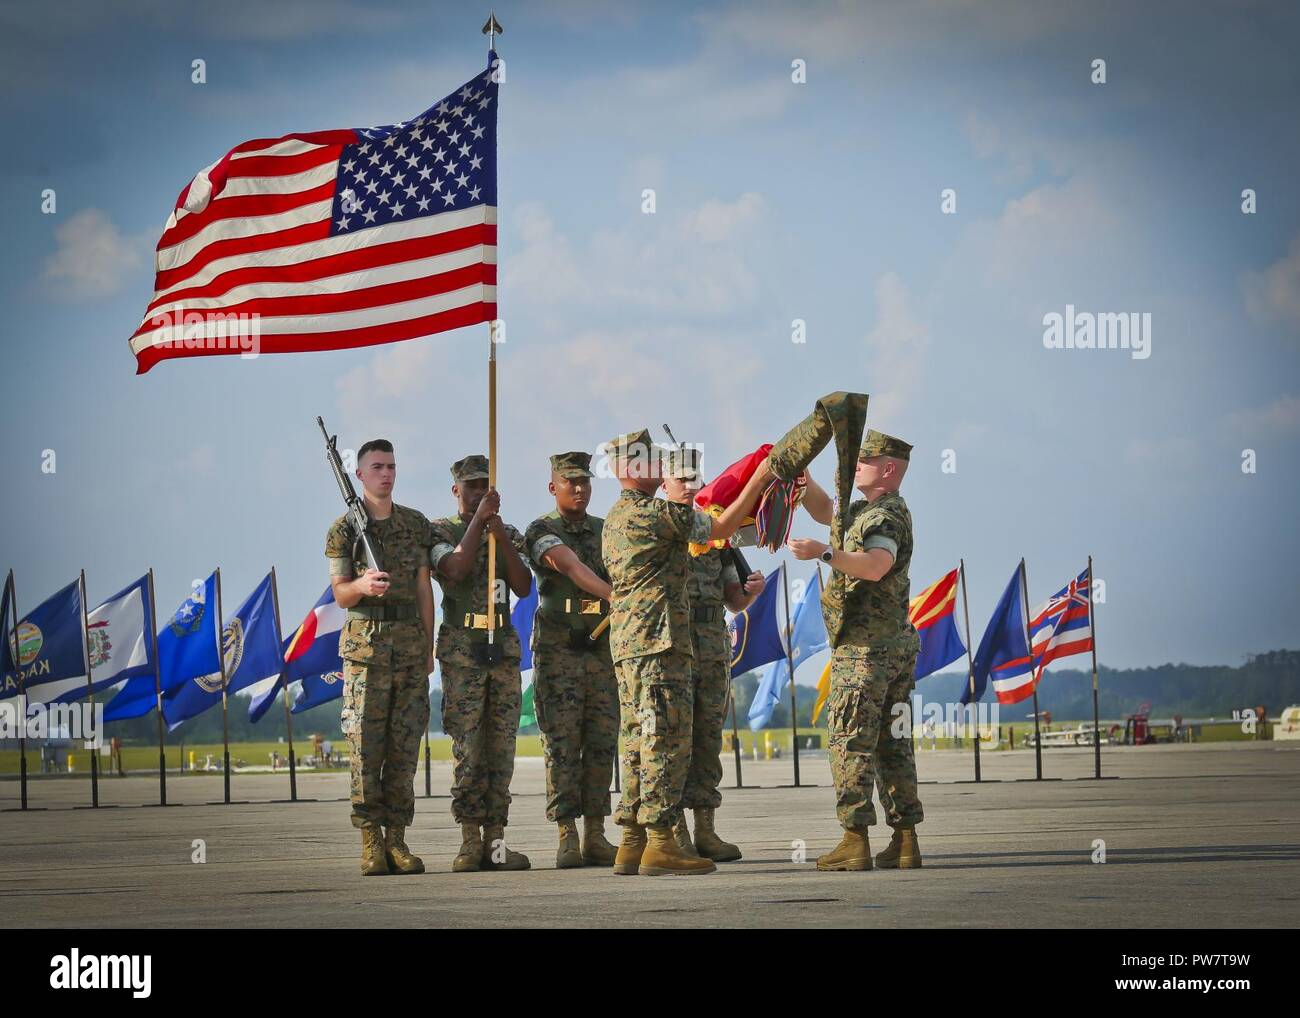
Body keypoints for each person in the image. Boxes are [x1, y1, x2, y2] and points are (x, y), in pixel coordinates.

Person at [601, 429, 772, 876]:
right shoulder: (654, 514)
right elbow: (718, 527)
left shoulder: (619, 517)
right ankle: (661, 842)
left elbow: (731, 580)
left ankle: (633, 841)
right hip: (661, 644)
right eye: (655, 462)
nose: (664, 470)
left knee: (641, 741)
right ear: (633, 469)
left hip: (638, 645)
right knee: (665, 741)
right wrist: (761, 476)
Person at [789, 429, 923, 871]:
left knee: (851, 741)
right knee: (892, 743)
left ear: (888, 470)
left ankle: (854, 839)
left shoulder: (883, 518)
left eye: (862, 462)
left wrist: (823, 555)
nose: (853, 468)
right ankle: (904, 840)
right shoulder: (868, 512)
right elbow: (829, 511)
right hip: (891, 645)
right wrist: (800, 480)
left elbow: (876, 565)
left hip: (866, 650)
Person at [325, 438, 435, 876]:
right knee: (366, 751)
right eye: (377, 467)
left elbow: (426, 589)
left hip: (410, 649)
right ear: (360, 474)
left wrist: (428, 649)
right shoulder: (343, 530)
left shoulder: (415, 524)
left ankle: (398, 840)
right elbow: (339, 594)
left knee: (404, 749)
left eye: (391, 466)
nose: (386, 474)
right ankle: (371, 839)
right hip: (366, 652)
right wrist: (362, 587)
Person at [661, 445, 765, 862]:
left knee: (707, 735)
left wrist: (749, 594)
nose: (689, 486)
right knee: (674, 736)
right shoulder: (660, 529)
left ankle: (706, 828)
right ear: (664, 483)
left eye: (694, 478)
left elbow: (732, 599)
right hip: (672, 641)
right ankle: (675, 831)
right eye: (681, 479)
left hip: (711, 640)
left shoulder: (712, 530)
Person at [429, 455, 533, 872]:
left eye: (484, 486)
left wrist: (498, 532)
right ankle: (470, 840)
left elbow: (524, 585)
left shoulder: (507, 532)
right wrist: (478, 524)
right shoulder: (439, 531)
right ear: (456, 490)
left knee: (500, 749)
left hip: (501, 646)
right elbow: (455, 568)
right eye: (471, 486)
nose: (478, 493)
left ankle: (495, 841)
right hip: (462, 649)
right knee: (469, 747)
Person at [524, 451, 619, 868]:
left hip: (602, 646)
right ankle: (566, 833)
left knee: (601, 741)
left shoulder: (608, 529)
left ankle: (596, 833)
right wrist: (614, 594)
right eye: (570, 482)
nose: (579, 489)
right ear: (553, 487)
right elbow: (568, 564)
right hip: (560, 647)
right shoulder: (541, 529)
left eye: (584, 482)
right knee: (562, 743)